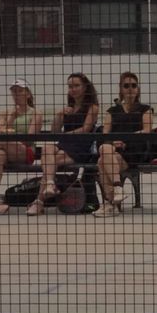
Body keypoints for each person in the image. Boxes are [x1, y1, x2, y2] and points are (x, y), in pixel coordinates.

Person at [27, 73, 100, 217]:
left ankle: (39, 202)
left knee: (51, 161)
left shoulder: (92, 107)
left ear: (85, 87)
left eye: (76, 86)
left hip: (81, 147)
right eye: (70, 86)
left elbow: (86, 129)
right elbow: (54, 131)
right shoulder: (69, 108)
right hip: (64, 144)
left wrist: (67, 134)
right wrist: (59, 115)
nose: (73, 89)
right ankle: (49, 184)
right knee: (48, 149)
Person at [93, 72, 153, 218]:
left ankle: (109, 202)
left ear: (138, 89)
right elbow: (105, 134)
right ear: (120, 89)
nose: (130, 89)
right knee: (104, 153)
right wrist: (114, 142)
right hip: (114, 152)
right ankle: (117, 189)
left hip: (134, 151)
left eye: (134, 85)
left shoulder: (145, 109)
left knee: (103, 159)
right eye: (126, 86)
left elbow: (146, 131)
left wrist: (126, 140)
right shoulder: (112, 111)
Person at [0, 78, 43, 215]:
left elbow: (29, 139)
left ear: (28, 94)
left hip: (25, 152)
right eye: (14, 92)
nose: (16, 94)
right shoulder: (5, 113)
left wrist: (9, 137)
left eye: (20, 91)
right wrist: (11, 117)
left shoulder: (35, 113)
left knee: (3, 141)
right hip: (4, 151)